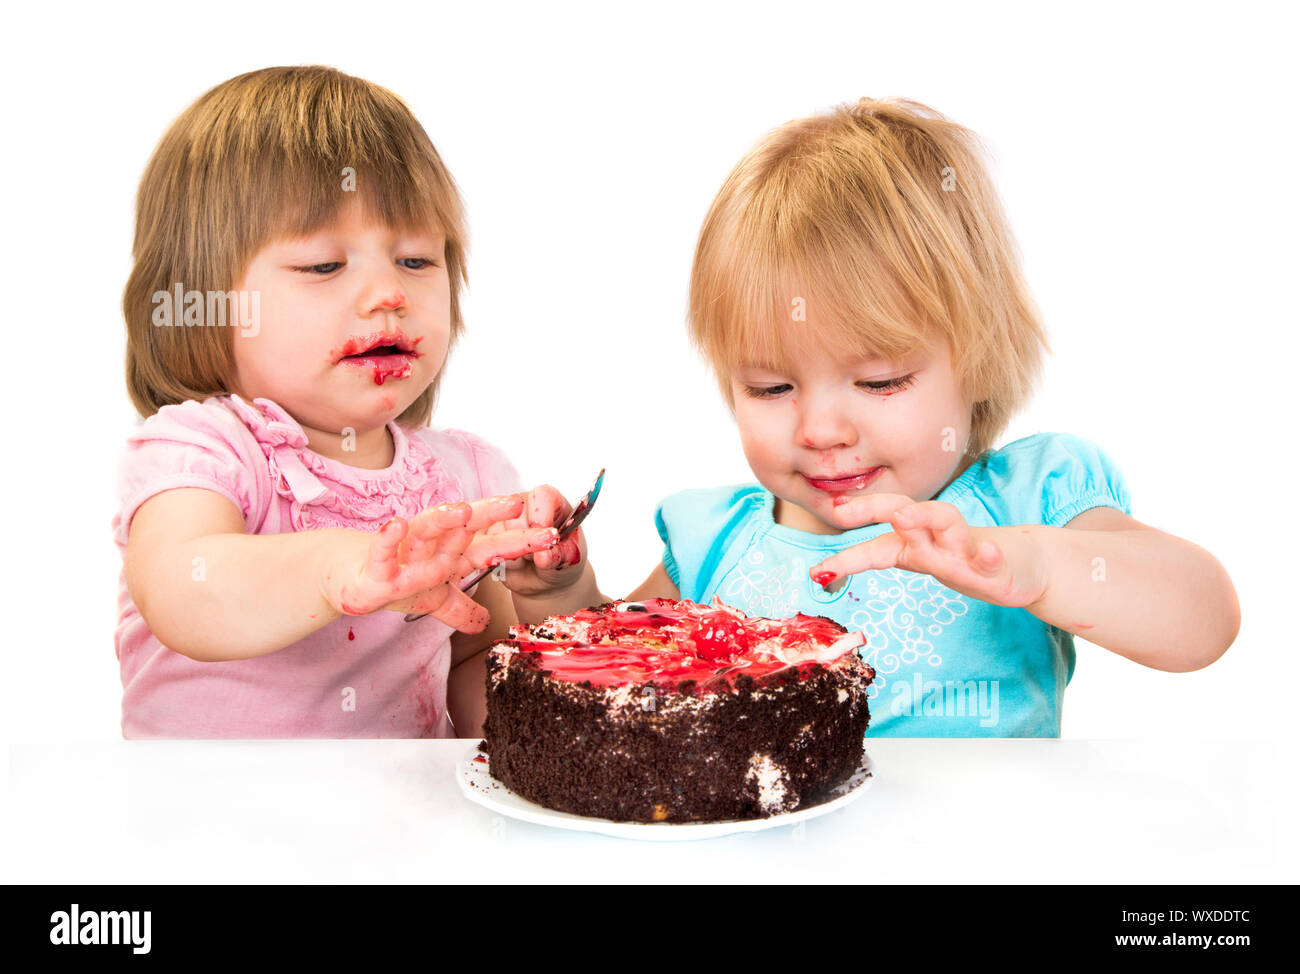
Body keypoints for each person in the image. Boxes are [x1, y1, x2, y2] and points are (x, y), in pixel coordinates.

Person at [630, 97, 1240, 735]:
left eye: (879, 380)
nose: (821, 431)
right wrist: (552, 589)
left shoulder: (1027, 501)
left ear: (977, 361)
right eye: (771, 387)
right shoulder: (714, 544)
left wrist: (1035, 566)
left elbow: (1205, 621)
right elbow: (598, 681)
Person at [113, 66, 593, 739]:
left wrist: (548, 595)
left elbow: (480, 651)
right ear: (209, 303)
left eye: (417, 261)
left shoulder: (465, 479)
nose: (387, 295)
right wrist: (345, 568)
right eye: (323, 266)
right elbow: (181, 592)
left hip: (406, 833)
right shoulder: (204, 450)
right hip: (207, 831)